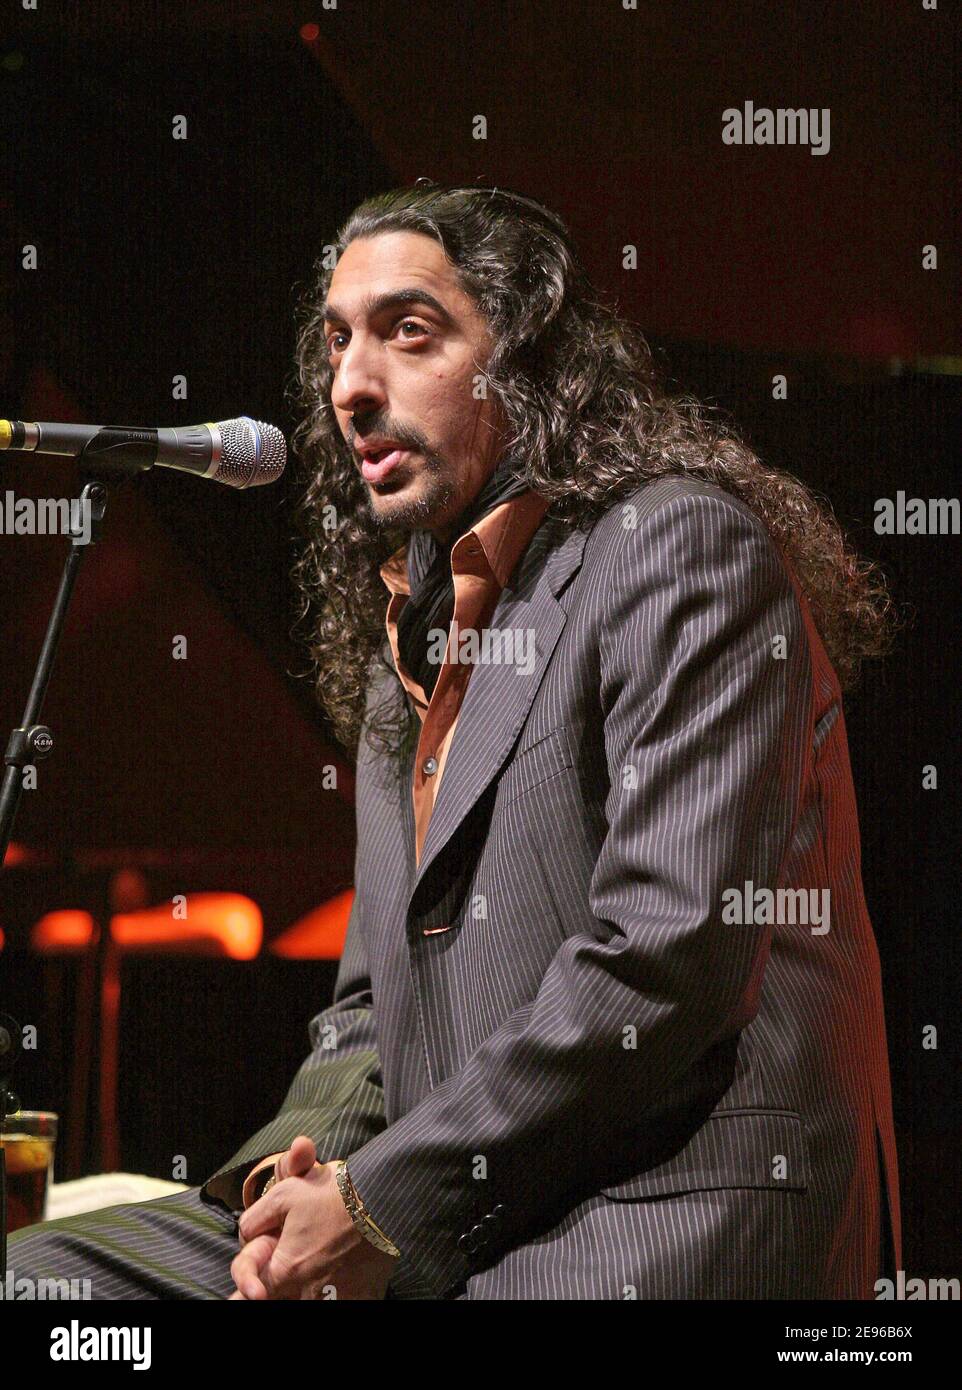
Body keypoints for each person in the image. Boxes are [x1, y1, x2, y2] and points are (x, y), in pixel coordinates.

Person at [8, 181, 902, 1300]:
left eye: (406, 332)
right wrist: (281, 1201)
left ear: (523, 360)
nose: (348, 385)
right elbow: (369, 1015)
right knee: (41, 1283)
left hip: (650, 1215)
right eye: (335, 343)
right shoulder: (413, 626)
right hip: (461, 1211)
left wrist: (377, 1205)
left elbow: (664, 960)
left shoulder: (678, 548)